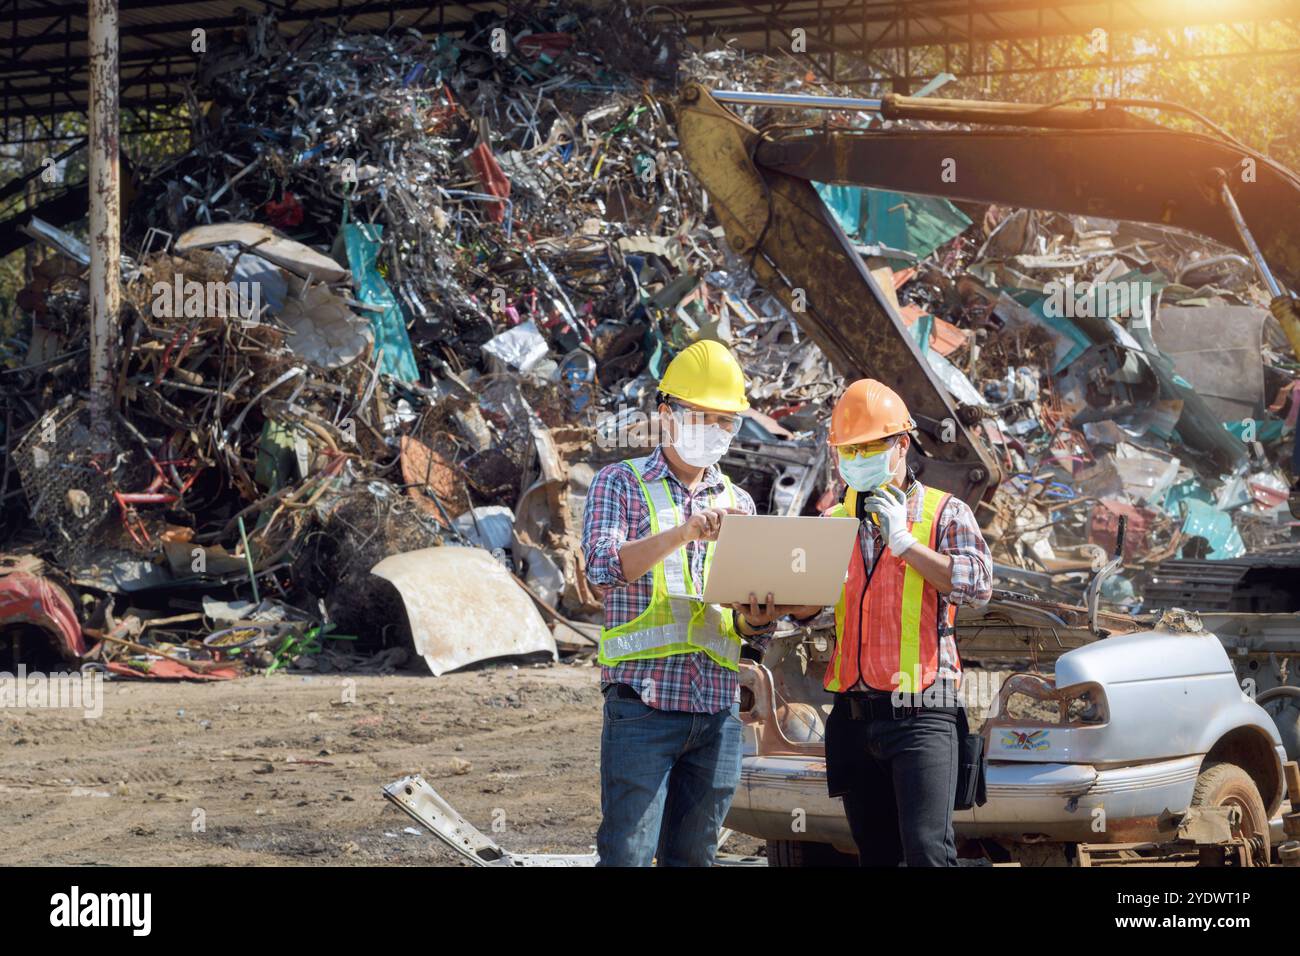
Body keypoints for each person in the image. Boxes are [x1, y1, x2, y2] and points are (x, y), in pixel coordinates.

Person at [582, 339, 814, 866]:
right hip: (644, 703)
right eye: (703, 416)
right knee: (628, 855)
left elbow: (745, 625)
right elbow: (602, 568)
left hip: (717, 708)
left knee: (695, 857)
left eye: (726, 421)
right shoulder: (620, 484)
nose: (715, 430)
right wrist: (682, 533)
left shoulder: (739, 501)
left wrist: (758, 621)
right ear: (668, 416)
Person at [809, 378, 993, 866]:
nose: (858, 458)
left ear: (902, 445)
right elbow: (812, 608)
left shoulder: (944, 512)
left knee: (929, 852)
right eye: (849, 449)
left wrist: (908, 545)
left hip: (923, 710)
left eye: (871, 446)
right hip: (853, 713)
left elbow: (976, 585)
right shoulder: (833, 522)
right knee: (876, 857)